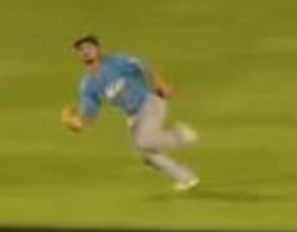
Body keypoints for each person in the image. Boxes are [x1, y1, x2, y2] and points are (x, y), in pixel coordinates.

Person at [61, 35, 201, 192]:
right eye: (81, 50)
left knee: (144, 141)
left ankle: (181, 135)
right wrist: (77, 124)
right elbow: (89, 112)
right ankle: (187, 178)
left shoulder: (118, 62)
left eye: (89, 47)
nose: (85, 51)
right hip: (134, 116)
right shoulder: (88, 85)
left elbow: (145, 65)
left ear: (98, 49)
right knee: (147, 156)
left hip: (150, 102)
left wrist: (162, 85)